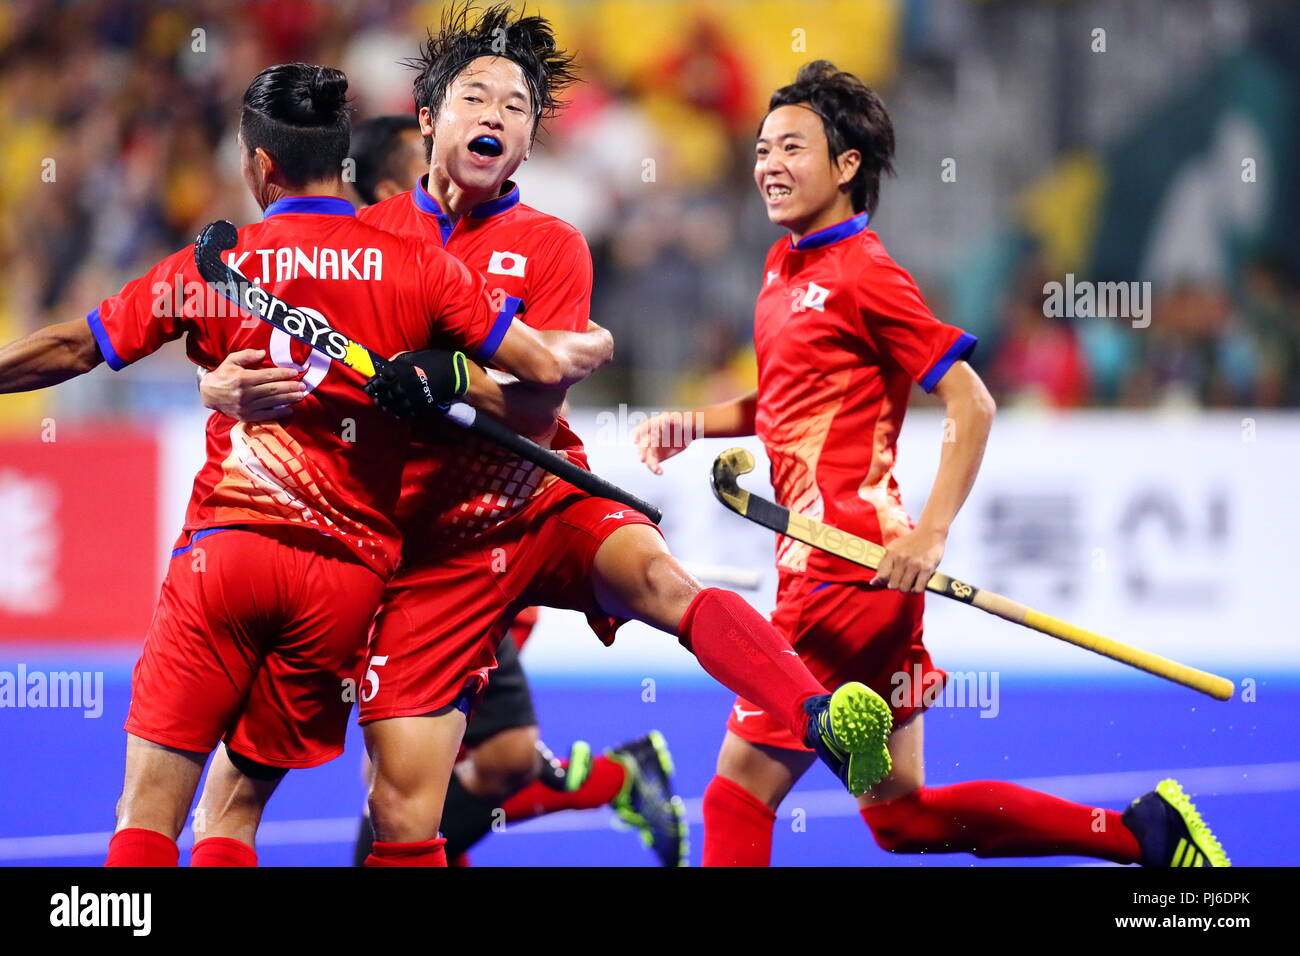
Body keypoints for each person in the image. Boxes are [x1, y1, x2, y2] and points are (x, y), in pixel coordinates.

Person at [0, 62, 610, 867]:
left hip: (230, 552)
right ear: (343, 159)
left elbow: (77, 346)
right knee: (236, 810)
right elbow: (539, 365)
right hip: (347, 580)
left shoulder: (222, 267)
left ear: (259, 167)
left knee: (148, 809)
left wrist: (211, 382)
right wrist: (595, 342)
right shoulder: (417, 263)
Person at [635, 61, 1230, 869]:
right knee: (903, 819)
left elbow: (971, 402)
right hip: (846, 573)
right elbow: (781, 398)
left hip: (846, 573)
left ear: (847, 167)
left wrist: (933, 535)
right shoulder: (784, 268)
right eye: (764, 147)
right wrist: (692, 425)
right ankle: (1141, 835)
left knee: (737, 792)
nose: (768, 165)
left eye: (792, 148)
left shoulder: (866, 274)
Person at [206, 105, 688, 867]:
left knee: (477, 760)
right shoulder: (370, 264)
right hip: (372, 543)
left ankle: (611, 778)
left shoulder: (486, 255)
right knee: (385, 773)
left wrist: (556, 355)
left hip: (467, 535)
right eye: (415, 166)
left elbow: (533, 373)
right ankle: (613, 777)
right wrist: (220, 387)